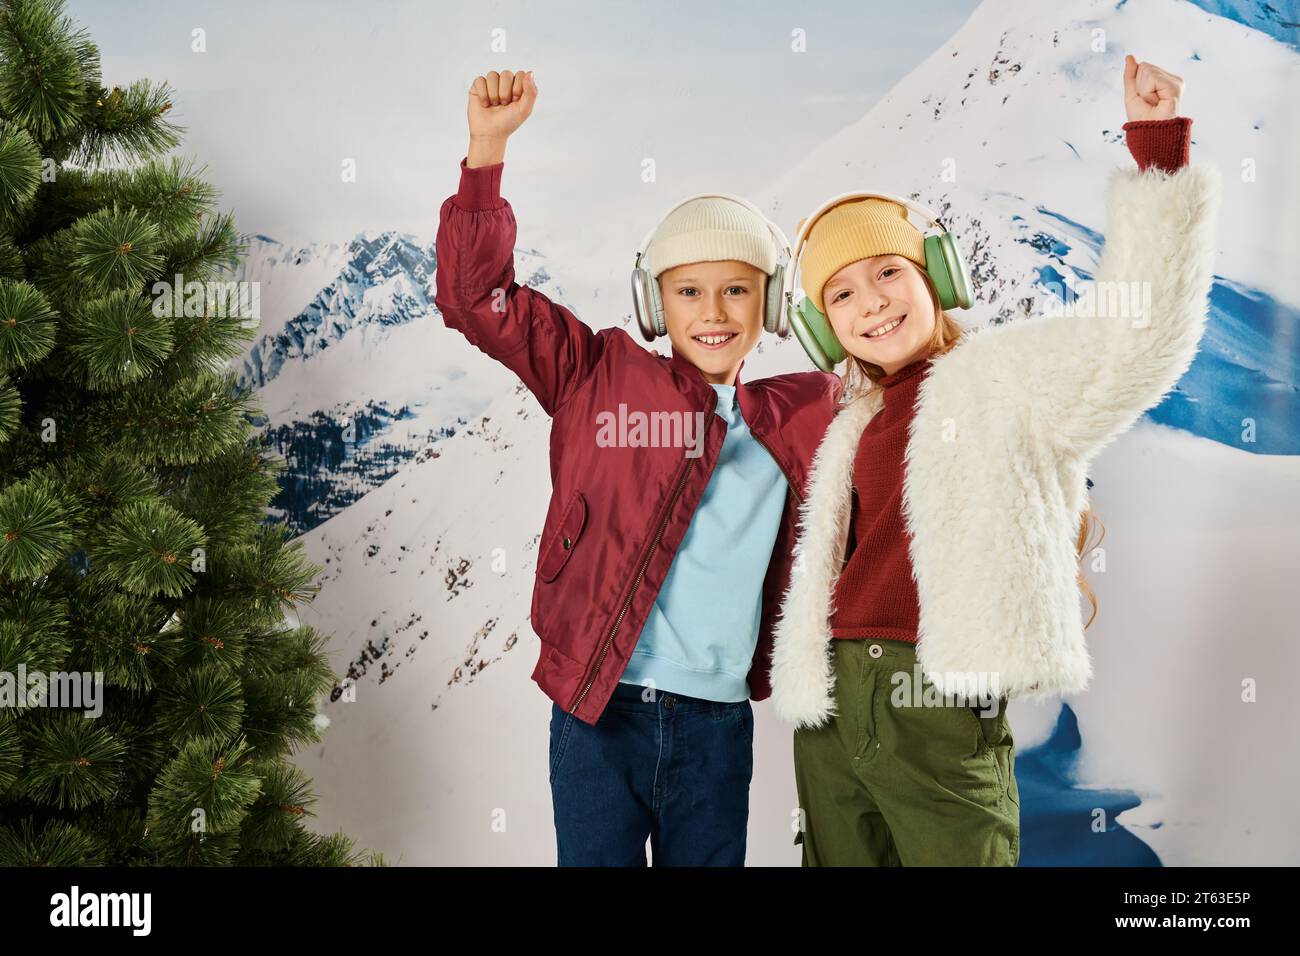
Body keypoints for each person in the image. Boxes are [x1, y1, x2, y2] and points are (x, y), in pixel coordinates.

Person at [770, 54, 1221, 866]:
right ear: (820, 325)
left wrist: (1157, 156)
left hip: (938, 703)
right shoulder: (851, 426)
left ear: (935, 276)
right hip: (836, 711)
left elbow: (1137, 340)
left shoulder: (1003, 376)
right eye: (841, 293)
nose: (870, 301)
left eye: (887, 272)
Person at [434, 68, 838, 865]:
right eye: (688, 291)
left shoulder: (806, 411)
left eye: (736, 290)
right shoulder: (597, 373)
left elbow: (913, 426)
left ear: (774, 303)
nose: (713, 313)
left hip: (718, 727)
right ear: (655, 303)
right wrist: (487, 151)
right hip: (597, 714)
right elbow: (474, 298)